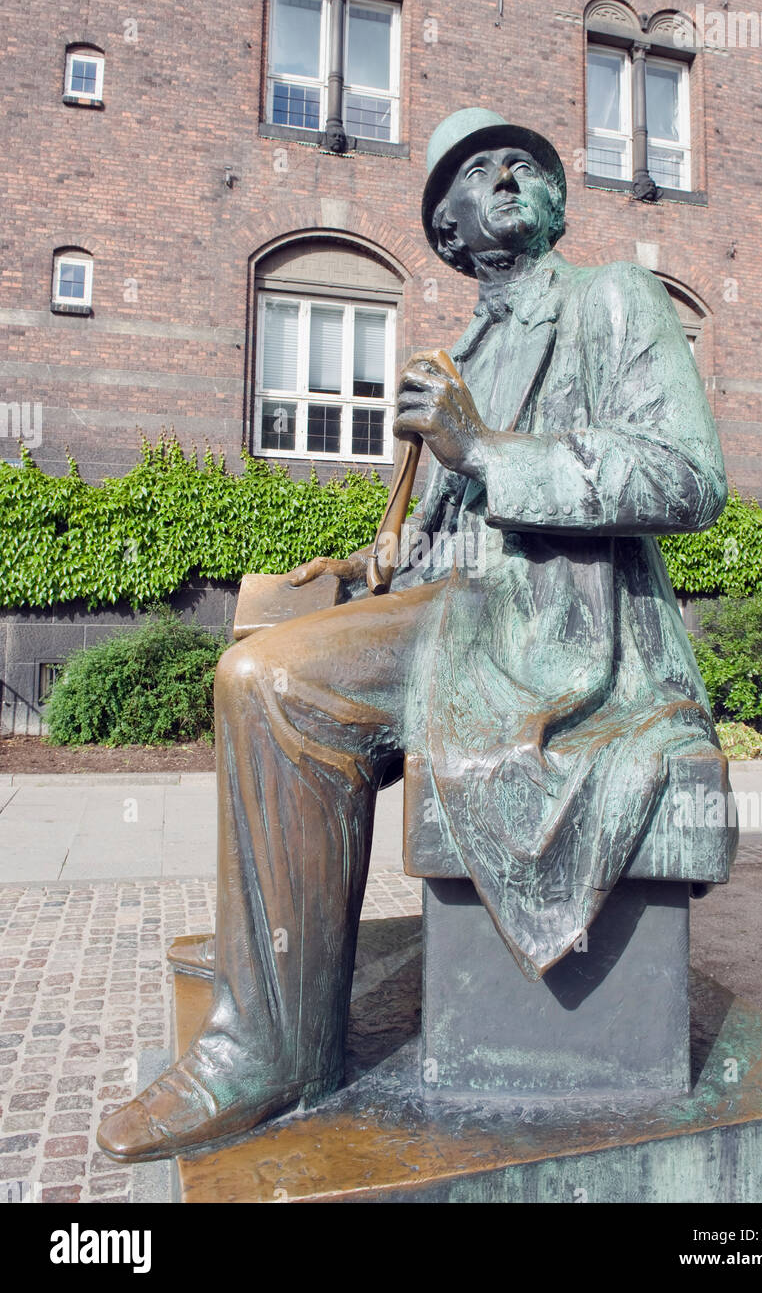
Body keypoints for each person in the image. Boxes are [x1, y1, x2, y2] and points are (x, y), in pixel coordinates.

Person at [98, 108, 727, 1161]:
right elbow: (432, 545)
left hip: (555, 633)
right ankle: (279, 1037)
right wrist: (352, 572)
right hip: (452, 618)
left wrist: (486, 449)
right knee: (261, 673)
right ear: (447, 228)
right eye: (481, 172)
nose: (511, 178)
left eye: (525, 164)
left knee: (264, 681)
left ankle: (267, 1048)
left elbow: (688, 477)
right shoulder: (455, 351)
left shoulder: (613, 299)